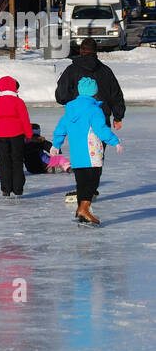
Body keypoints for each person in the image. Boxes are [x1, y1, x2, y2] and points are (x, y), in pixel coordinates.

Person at [55, 36, 126, 202]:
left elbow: (61, 95)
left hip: (77, 121)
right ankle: (91, 190)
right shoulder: (106, 71)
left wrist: (73, 104)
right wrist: (118, 116)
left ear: (81, 51)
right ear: (96, 51)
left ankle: (84, 192)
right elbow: (116, 94)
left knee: (80, 155)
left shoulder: (71, 71)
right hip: (100, 118)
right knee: (97, 156)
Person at [51, 78, 121, 226]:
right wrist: (114, 141)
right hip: (92, 152)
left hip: (77, 155)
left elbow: (60, 128)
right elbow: (101, 129)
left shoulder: (70, 110)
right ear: (94, 92)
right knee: (93, 181)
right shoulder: (94, 110)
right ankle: (84, 209)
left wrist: (56, 144)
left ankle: (81, 213)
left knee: (81, 183)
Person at [0, 76, 33, 198]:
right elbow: (25, 119)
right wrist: (28, 134)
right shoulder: (19, 102)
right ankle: (18, 189)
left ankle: (6, 189)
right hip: (17, 134)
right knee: (17, 162)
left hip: (1, 135)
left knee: (4, 162)